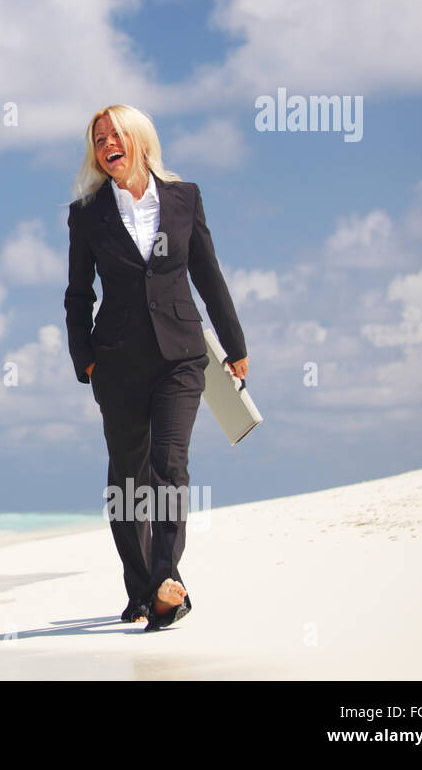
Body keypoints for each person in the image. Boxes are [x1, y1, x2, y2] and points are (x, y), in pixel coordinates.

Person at [64, 105, 249, 631]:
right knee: (128, 479)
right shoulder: (87, 212)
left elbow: (208, 276)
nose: (107, 145)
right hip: (116, 365)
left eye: (115, 135)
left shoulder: (184, 198)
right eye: (98, 140)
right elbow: (78, 294)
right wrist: (87, 361)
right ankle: (142, 588)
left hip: (181, 357)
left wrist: (234, 345)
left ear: (139, 140)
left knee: (170, 464)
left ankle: (169, 583)